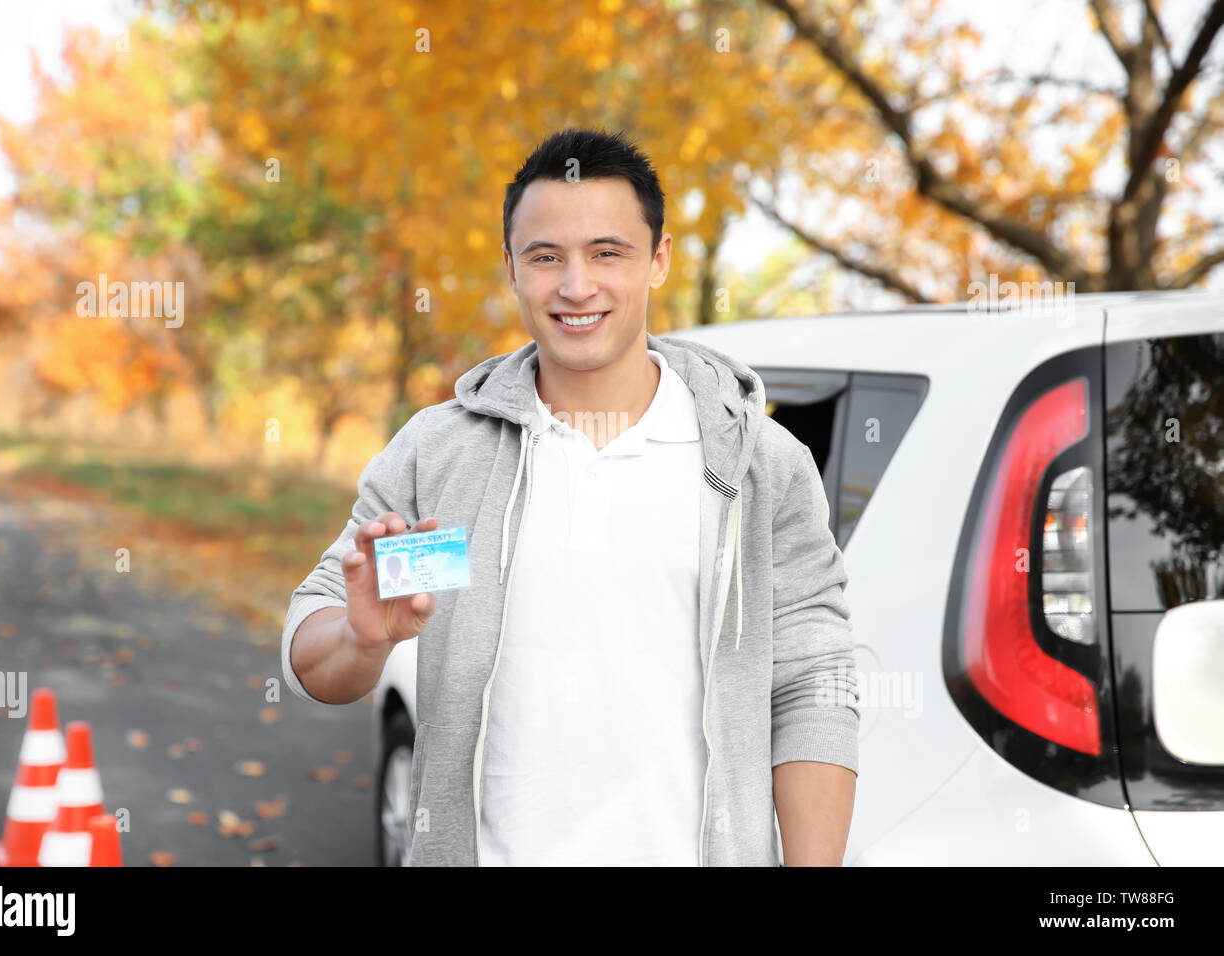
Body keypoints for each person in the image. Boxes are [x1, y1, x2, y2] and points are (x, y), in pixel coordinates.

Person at [281, 126, 860, 866]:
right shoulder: (448, 459)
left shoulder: (754, 465)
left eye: (606, 253)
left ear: (658, 260)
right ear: (512, 268)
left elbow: (813, 684)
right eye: (545, 257)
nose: (575, 285)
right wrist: (363, 640)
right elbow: (316, 650)